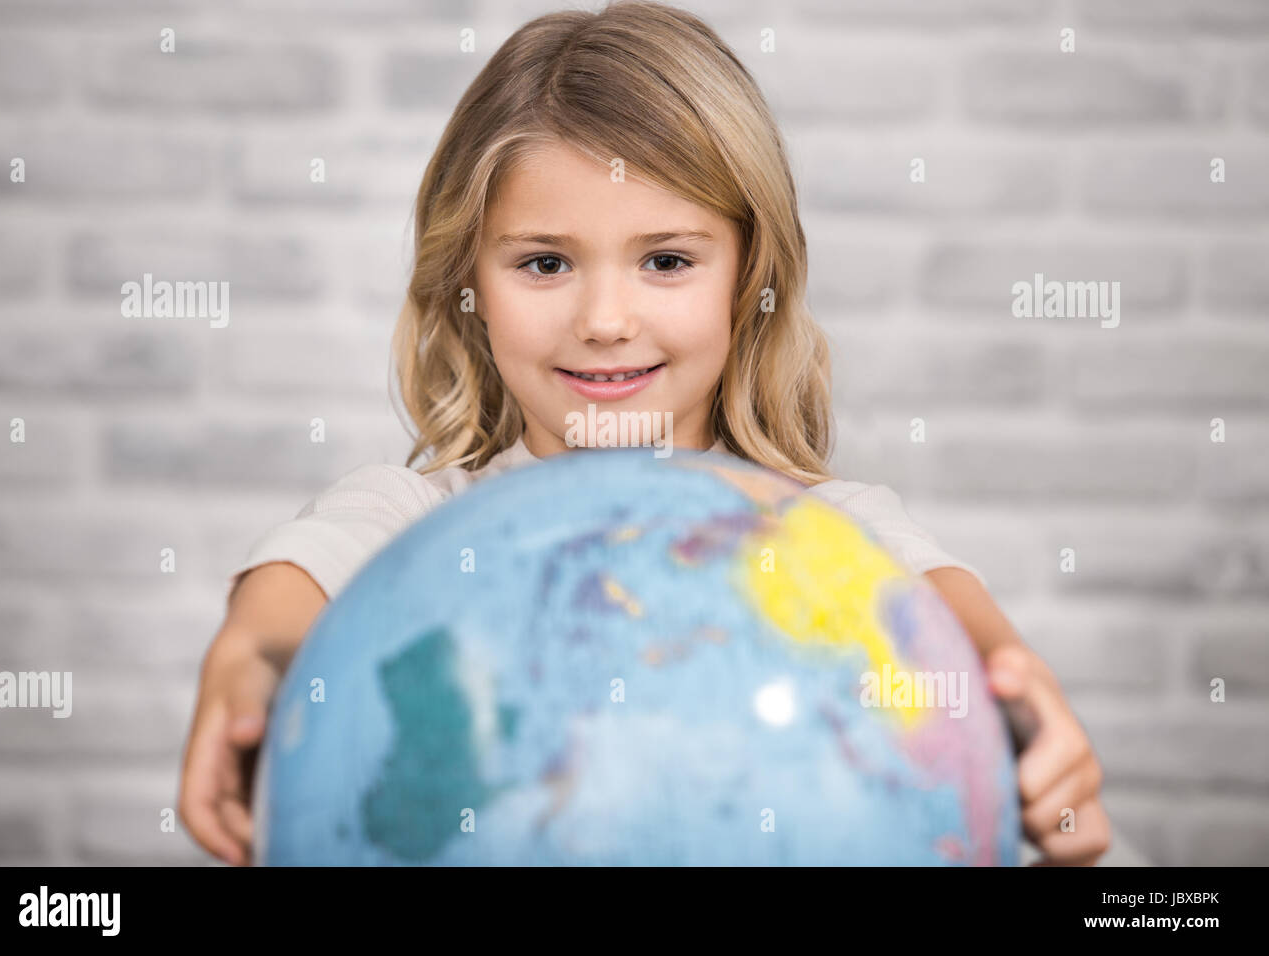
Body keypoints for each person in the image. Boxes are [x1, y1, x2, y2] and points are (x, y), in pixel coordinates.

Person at [180, 0, 1109, 868]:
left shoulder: (825, 528)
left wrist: (1023, 710)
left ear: (750, 278)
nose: (606, 319)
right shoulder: (421, 518)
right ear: (471, 283)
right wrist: (249, 666)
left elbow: (953, 624)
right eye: (545, 263)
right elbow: (291, 593)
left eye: (666, 261)